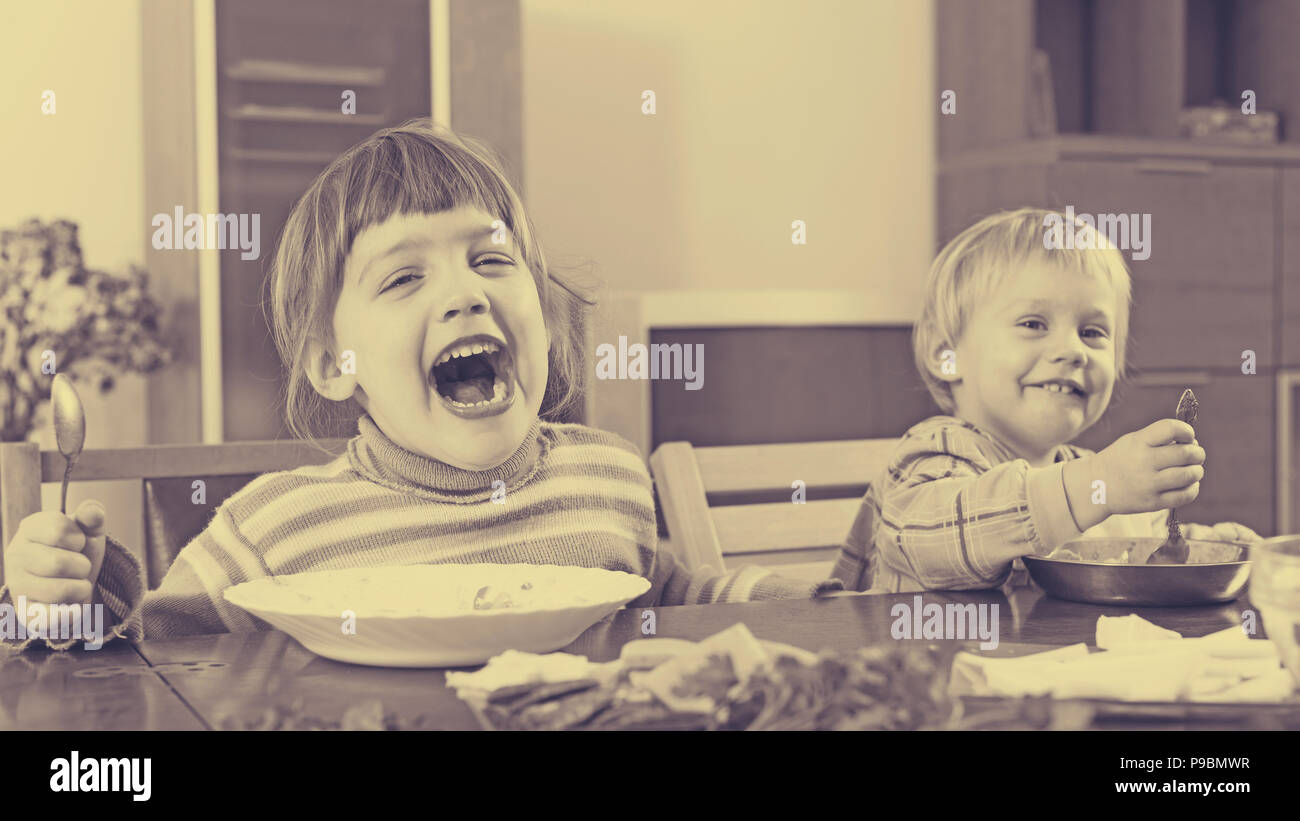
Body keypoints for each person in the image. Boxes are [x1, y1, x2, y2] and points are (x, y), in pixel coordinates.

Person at [3, 119, 839, 649]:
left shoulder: (610, 473)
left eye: (491, 260)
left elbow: (659, 593)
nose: (466, 292)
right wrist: (73, 592)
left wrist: (799, 602)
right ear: (336, 365)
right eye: (404, 280)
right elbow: (153, 648)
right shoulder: (275, 527)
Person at [831, 207, 1259, 593]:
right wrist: (1099, 485)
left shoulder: (1089, 473)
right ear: (947, 355)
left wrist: (1216, 548)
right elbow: (933, 541)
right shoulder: (938, 454)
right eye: (1034, 323)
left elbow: (1138, 547)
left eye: (1092, 332)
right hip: (932, 675)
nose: (1072, 350)